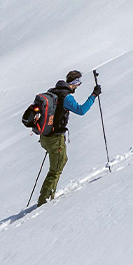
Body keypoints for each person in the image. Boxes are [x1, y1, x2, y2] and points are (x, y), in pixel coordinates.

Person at [37, 70, 100, 206]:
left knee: (62, 161)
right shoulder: (66, 97)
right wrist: (93, 95)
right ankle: (44, 201)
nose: (78, 86)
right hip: (55, 138)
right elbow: (81, 110)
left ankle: (47, 195)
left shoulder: (54, 91)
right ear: (75, 83)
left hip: (45, 137)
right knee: (55, 169)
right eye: (79, 83)